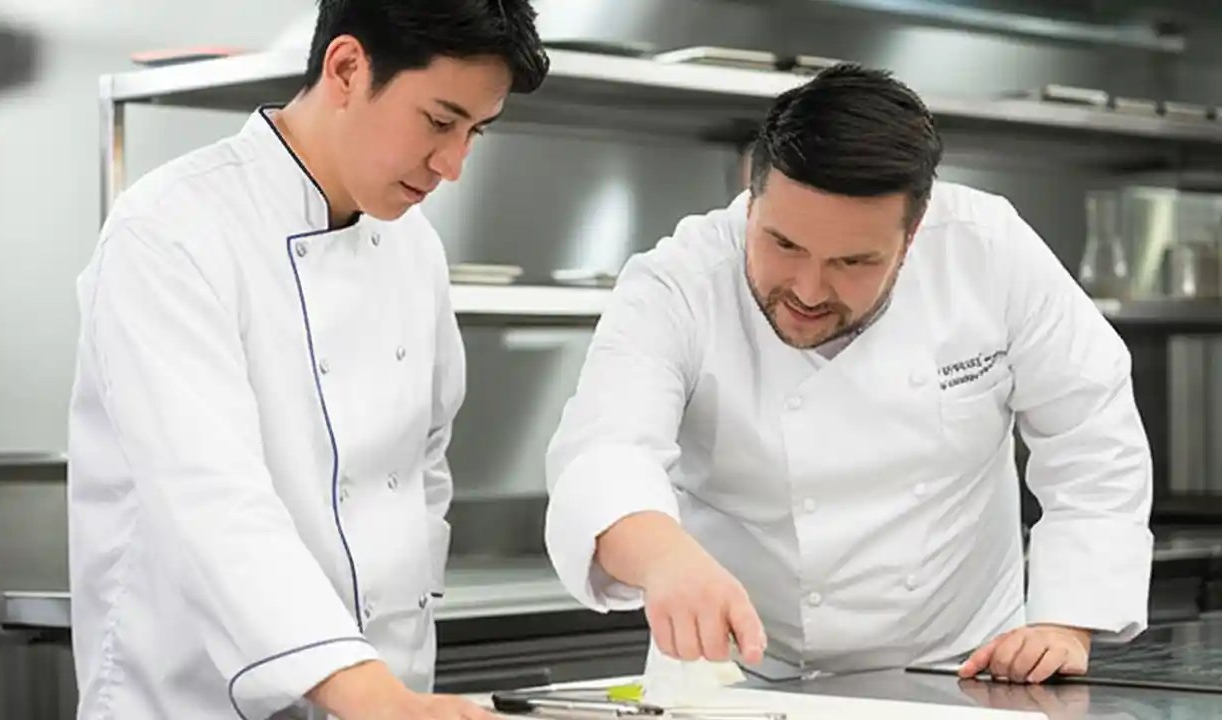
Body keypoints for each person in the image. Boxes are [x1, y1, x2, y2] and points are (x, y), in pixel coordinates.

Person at [544, 64, 1152, 687]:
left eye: (853, 262)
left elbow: (1091, 431)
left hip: (963, 674)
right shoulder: (679, 283)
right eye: (783, 245)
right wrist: (665, 560)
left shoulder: (987, 250)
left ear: (913, 234)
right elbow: (604, 451)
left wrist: (1066, 623)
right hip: (748, 681)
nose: (808, 290)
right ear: (752, 199)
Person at [68, 2, 547, 718]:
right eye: (439, 121)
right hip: (194, 701)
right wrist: (369, 695)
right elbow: (212, 501)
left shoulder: (414, 246)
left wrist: (391, 692)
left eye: (475, 131)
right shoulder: (169, 231)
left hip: (383, 694)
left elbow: (423, 465)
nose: (452, 166)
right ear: (347, 68)